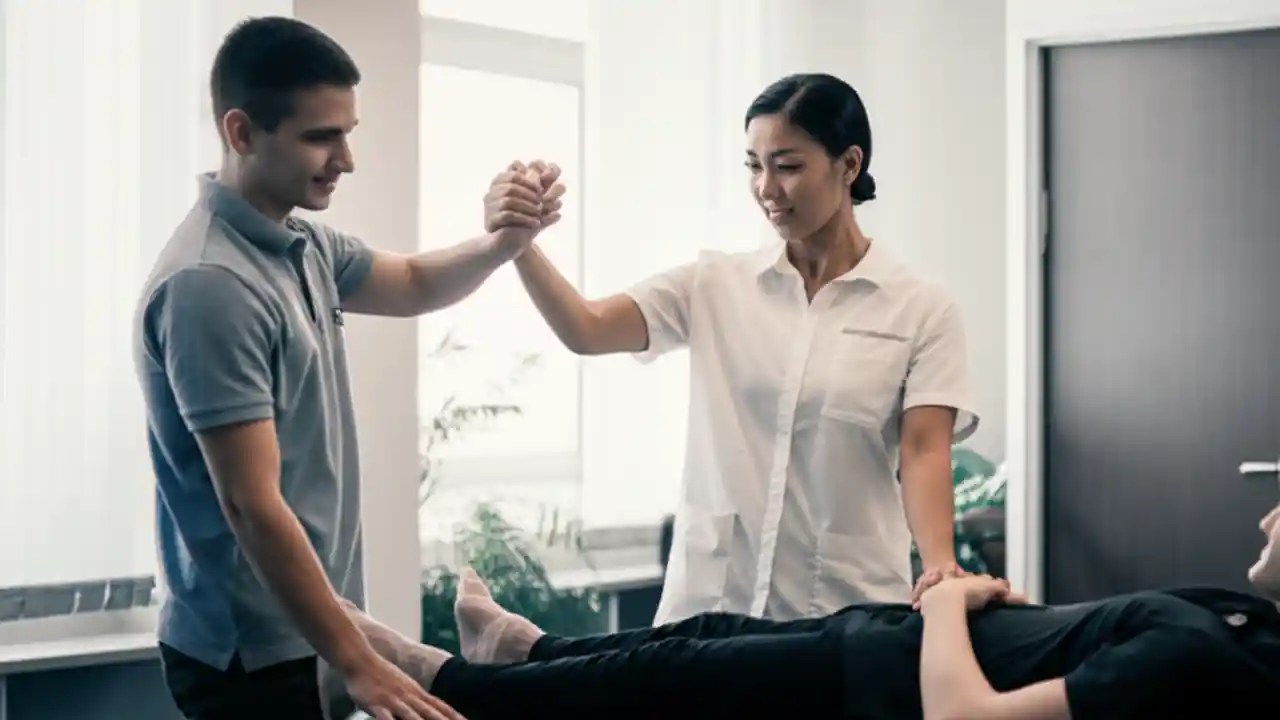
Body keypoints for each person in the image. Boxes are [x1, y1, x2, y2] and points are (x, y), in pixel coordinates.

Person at [132, 17, 560, 720]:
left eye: (348, 132)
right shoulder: (210, 284)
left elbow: (417, 282)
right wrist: (361, 662)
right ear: (241, 133)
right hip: (251, 654)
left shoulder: (299, 242)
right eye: (321, 137)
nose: (347, 159)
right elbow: (250, 503)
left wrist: (507, 243)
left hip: (311, 628)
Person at [485, 72, 979, 624]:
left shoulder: (921, 309)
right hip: (710, 609)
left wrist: (939, 567)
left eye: (788, 166)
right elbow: (587, 327)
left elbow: (924, 452)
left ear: (849, 165)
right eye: (753, 165)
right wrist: (517, 244)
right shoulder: (714, 285)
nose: (767, 187)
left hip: (846, 612)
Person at [320, 502, 1280, 720]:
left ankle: (432, 679)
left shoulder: (1213, 658)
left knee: (666, 686)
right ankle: (526, 646)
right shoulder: (1242, 621)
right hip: (890, 642)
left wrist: (949, 602)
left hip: (890, 685)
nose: (1271, 509)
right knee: (706, 636)